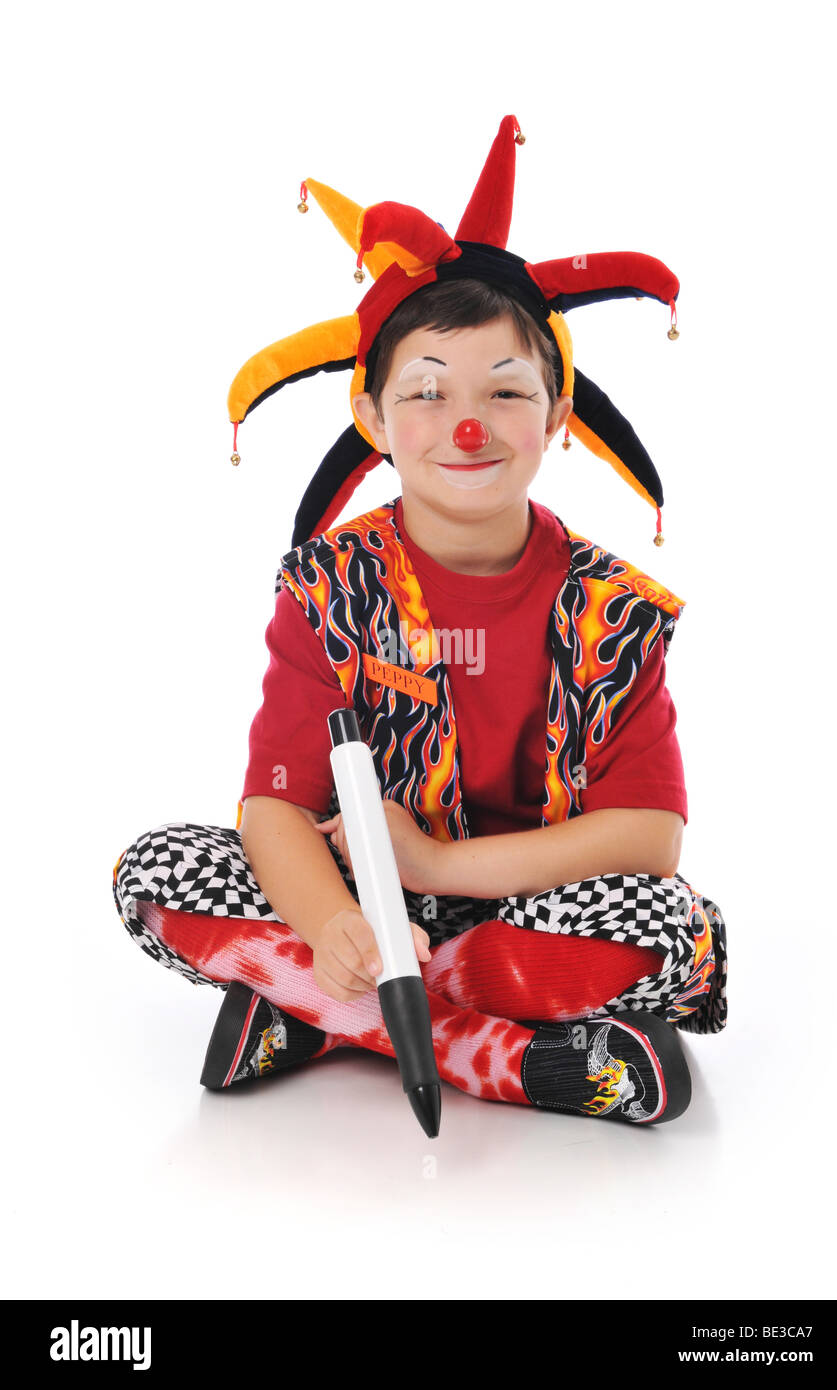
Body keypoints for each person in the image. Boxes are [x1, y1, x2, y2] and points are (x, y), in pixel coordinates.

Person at [112, 116, 727, 1125]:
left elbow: (649, 836)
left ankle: (315, 1016)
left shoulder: (612, 610)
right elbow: (272, 806)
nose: (466, 423)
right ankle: (513, 1055)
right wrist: (329, 919)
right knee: (157, 870)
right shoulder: (328, 589)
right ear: (373, 419)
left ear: (558, 415)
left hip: (523, 910)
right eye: (427, 393)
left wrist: (438, 867)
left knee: (666, 926)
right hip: (357, 904)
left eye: (505, 389)